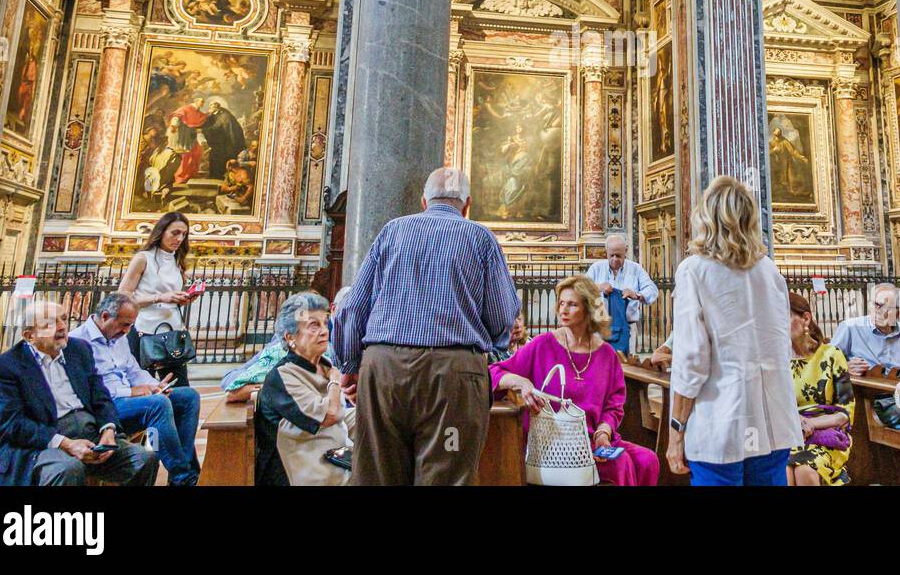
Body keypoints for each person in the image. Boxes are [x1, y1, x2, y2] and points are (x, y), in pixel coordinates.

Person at [334, 166, 520, 485]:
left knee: (378, 474)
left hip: (385, 372)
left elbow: (352, 306)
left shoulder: (392, 231)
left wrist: (349, 363)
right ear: (468, 204)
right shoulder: (480, 238)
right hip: (454, 377)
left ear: (424, 201)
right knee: (446, 472)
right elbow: (503, 314)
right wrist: (490, 352)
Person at [667, 176, 802, 486]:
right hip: (771, 419)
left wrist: (677, 429)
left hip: (721, 422)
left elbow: (691, 359)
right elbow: (781, 344)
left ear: (705, 217)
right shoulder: (769, 270)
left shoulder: (694, 270)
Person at [490, 275, 659, 486]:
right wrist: (521, 382)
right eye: (561, 303)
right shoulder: (542, 345)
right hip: (553, 442)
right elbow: (493, 373)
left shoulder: (606, 354)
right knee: (621, 463)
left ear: (588, 309)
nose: (563, 309)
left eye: (572, 304)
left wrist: (603, 432)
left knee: (648, 460)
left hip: (593, 440)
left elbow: (614, 405)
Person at [0, 300, 158, 486]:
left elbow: (100, 396)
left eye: (63, 319)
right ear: (30, 336)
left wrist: (109, 429)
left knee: (144, 459)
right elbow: (10, 425)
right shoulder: (4, 368)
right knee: (68, 468)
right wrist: (65, 443)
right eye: (50, 323)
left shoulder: (79, 350)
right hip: (40, 444)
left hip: (90, 434)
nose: (62, 327)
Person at [71, 291, 201, 486]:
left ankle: (180, 473)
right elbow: (86, 389)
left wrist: (154, 385)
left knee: (188, 397)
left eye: (131, 325)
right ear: (105, 316)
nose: (127, 330)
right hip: (106, 408)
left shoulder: (119, 337)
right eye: (125, 324)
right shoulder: (77, 341)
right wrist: (131, 392)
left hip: (129, 401)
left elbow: (133, 370)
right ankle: (184, 477)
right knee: (157, 405)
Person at [258, 292, 355, 486]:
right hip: (303, 468)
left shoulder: (324, 366)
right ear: (290, 337)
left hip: (335, 457)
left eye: (325, 323)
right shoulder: (283, 376)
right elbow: (330, 415)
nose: (324, 331)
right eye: (313, 326)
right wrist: (335, 382)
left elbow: (344, 415)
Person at [831, 282, 900, 436]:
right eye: (876, 305)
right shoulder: (850, 328)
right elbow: (826, 365)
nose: (880, 311)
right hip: (872, 402)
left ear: (898, 312)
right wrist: (845, 367)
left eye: (887, 308)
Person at [119, 211, 201, 387]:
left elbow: (171, 296)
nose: (179, 239)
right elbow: (123, 296)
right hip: (144, 330)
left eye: (184, 234)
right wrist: (160, 297)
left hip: (172, 332)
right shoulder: (143, 259)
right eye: (175, 233)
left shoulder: (177, 261)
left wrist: (183, 298)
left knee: (179, 387)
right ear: (161, 231)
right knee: (143, 386)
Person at [786, 292, 854, 485]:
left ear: (806, 318)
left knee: (805, 470)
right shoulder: (778, 360)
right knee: (782, 471)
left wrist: (812, 424)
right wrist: (795, 419)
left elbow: (845, 414)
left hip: (825, 437)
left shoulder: (831, 355)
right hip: (789, 436)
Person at [585, 233, 657, 356]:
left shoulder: (636, 269)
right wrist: (598, 287)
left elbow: (652, 290)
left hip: (627, 329)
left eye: (618, 255)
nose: (614, 259)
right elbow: (580, 289)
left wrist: (637, 295)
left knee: (625, 367)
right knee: (598, 365)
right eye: (611, 255)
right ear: (606, 252)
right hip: (599, 328)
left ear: (626, 251)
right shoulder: (596, 268)